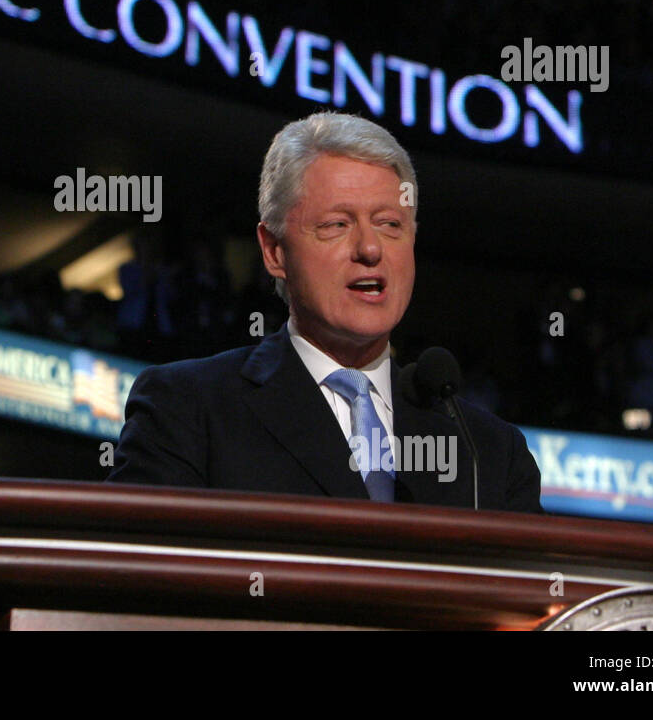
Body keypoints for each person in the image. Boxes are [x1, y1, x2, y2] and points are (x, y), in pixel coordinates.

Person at [107, 111, 543, 512]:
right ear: (274, 251)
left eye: (390, 225)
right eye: (337, 225)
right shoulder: (188, 410)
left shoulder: (488, 452)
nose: (371, 249)